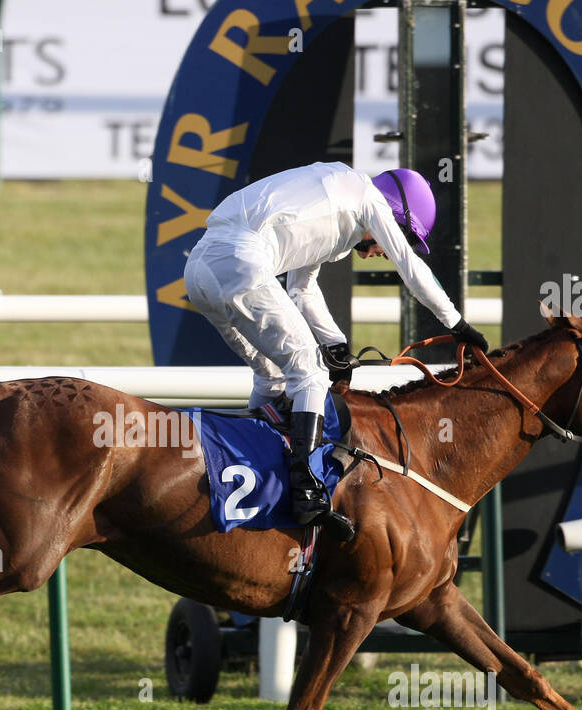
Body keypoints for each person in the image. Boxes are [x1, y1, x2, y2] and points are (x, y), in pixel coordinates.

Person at [184, 162, 489, 540]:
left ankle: (251, 463)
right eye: (404, 236)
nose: (384, 251)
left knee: (271, 375)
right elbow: (411, 269)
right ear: (396, 215)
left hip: (200, 268)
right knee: (309, 372)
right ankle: (305, 488)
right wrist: (457, 325)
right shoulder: (368, 199)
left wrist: (335, 342)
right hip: (240, 262)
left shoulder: (338, 194)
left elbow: (301, 289)